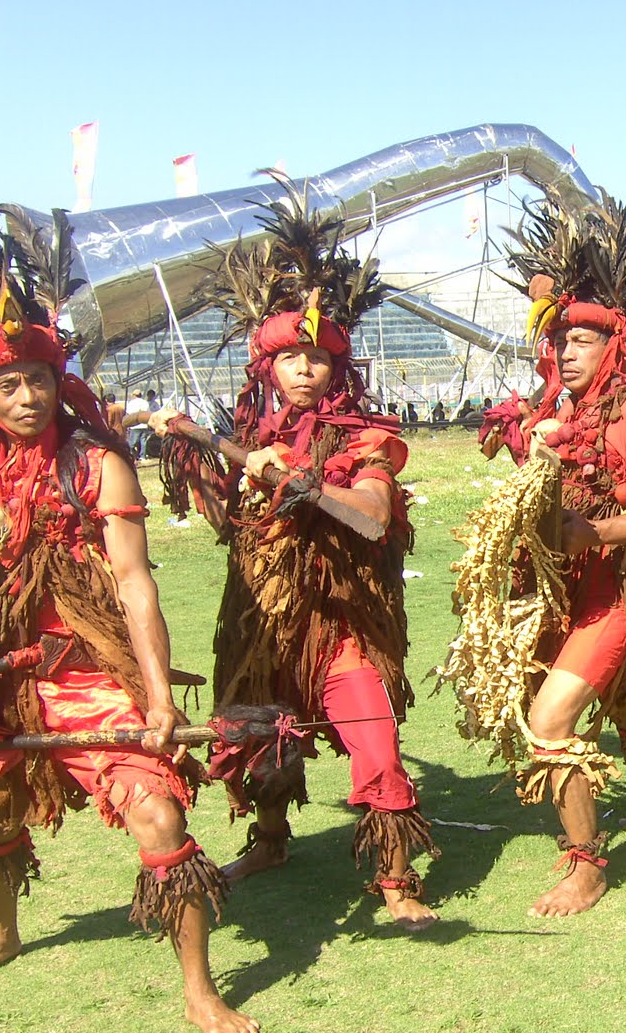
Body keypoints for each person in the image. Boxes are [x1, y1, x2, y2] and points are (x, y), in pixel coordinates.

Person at [0, 181, 257, 1033]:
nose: (26, 398)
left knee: (161, 817)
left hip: (89, 680)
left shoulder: (97, 469)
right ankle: (3, 931)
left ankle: (199, 989)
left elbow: (134, 587)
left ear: (58, 380)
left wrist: (157, 699)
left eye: (38, 379)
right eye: (7, 385)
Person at [152, 180, 439, 929]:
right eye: (291, 358)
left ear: (336, 367)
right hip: (261, 626)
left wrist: (299, 481)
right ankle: (272, 839)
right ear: (267, 369)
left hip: (342, 624)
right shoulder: (248, 438)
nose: (305, 369)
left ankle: (397, 881)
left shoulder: (366, 439)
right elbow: (229, 518)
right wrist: (189, 449)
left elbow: (374, 521)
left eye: (317, 357)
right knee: (259, 741)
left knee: (374, 739)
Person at [457, 191, 626, 918]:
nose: (564, 351)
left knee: (551, 721)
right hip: (557, 593)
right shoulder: (552, 414)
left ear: (615, 345)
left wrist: (591, 535)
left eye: (582, 341)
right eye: (558, 340)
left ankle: (587, 867)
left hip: (611, 594)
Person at [124, 388, 153, 459]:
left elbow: (128, 414)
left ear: (134, 395)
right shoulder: (145, 402)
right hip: (144, 425)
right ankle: (142, 456)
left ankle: (133, 455)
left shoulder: (131, 403)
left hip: (135, 426)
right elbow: (148, 413)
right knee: (143, 442)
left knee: (132, 443)